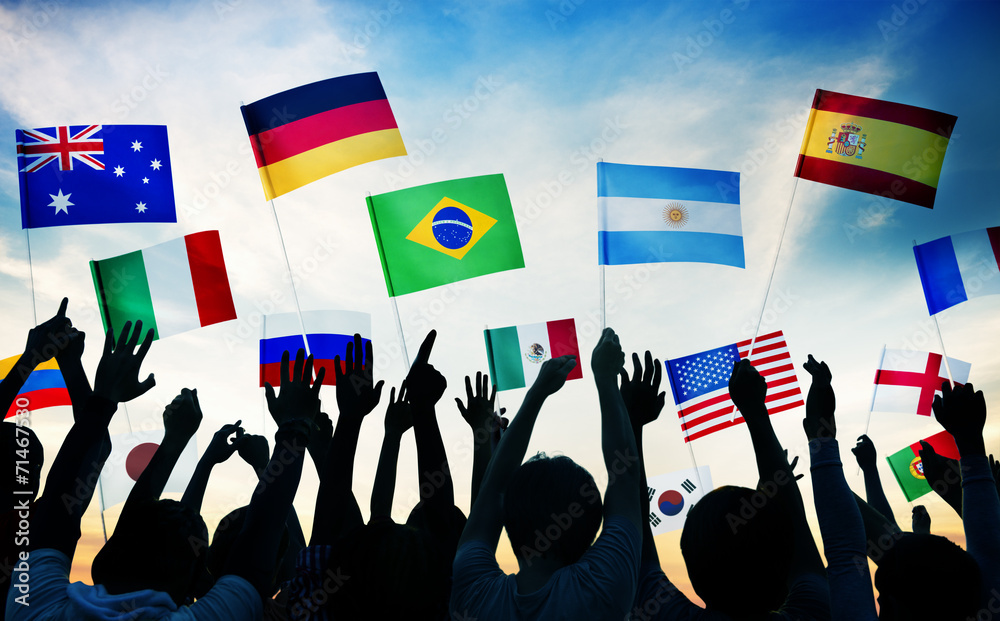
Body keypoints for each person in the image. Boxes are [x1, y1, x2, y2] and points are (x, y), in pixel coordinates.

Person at [450, 327, 642, 620]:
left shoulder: (473, 594)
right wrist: (606, 378)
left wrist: (536, 394)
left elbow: (493, 489)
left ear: (507, 517)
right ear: (592, 522)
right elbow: (625, 476)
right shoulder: (604, 587)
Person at [632, 357, 831, 620]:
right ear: (783, 561)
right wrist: (754, 410)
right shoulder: (814, 612)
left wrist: (632, 422)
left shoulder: (664, 613)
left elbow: (633, 526)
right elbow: (796, 521)